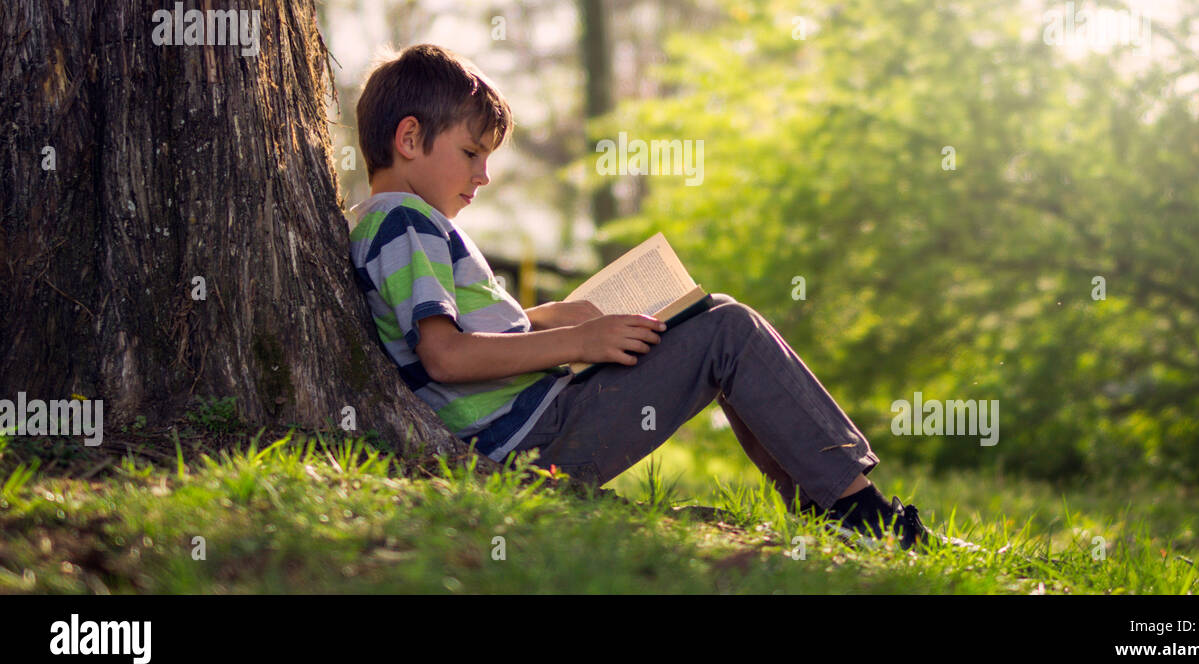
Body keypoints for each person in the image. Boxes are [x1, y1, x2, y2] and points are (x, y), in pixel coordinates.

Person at [348, 43, 935, 551]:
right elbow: (445, 355)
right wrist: (579, 341)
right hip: (535, 447)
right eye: (472, 154)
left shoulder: (396, 224)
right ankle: (861, 516)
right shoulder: (406, 222)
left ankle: (831, 506)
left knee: (722, 324)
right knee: (729, 333)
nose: (483, 177)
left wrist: (550, 317)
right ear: (409, 138)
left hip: (534, 432)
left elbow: (453, 331)